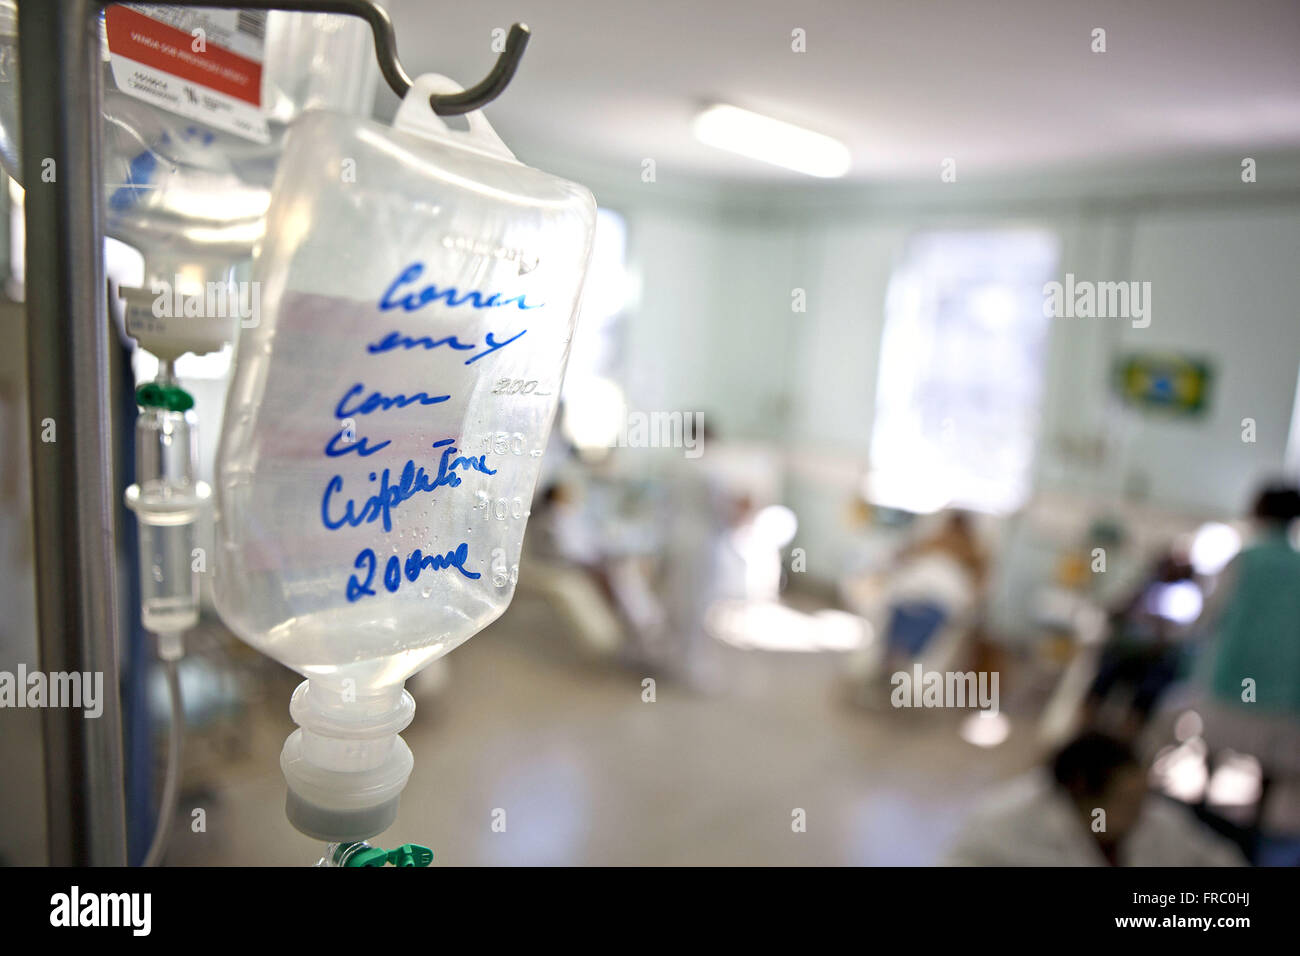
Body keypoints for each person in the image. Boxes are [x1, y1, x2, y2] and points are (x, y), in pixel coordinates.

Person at [946, 731, 1243, 865]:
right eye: (1127, 802)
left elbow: (1217, 860)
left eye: (1142, 799)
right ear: (1081, 792)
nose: (1141, 813)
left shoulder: (1156, 821)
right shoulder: (1004, 824)